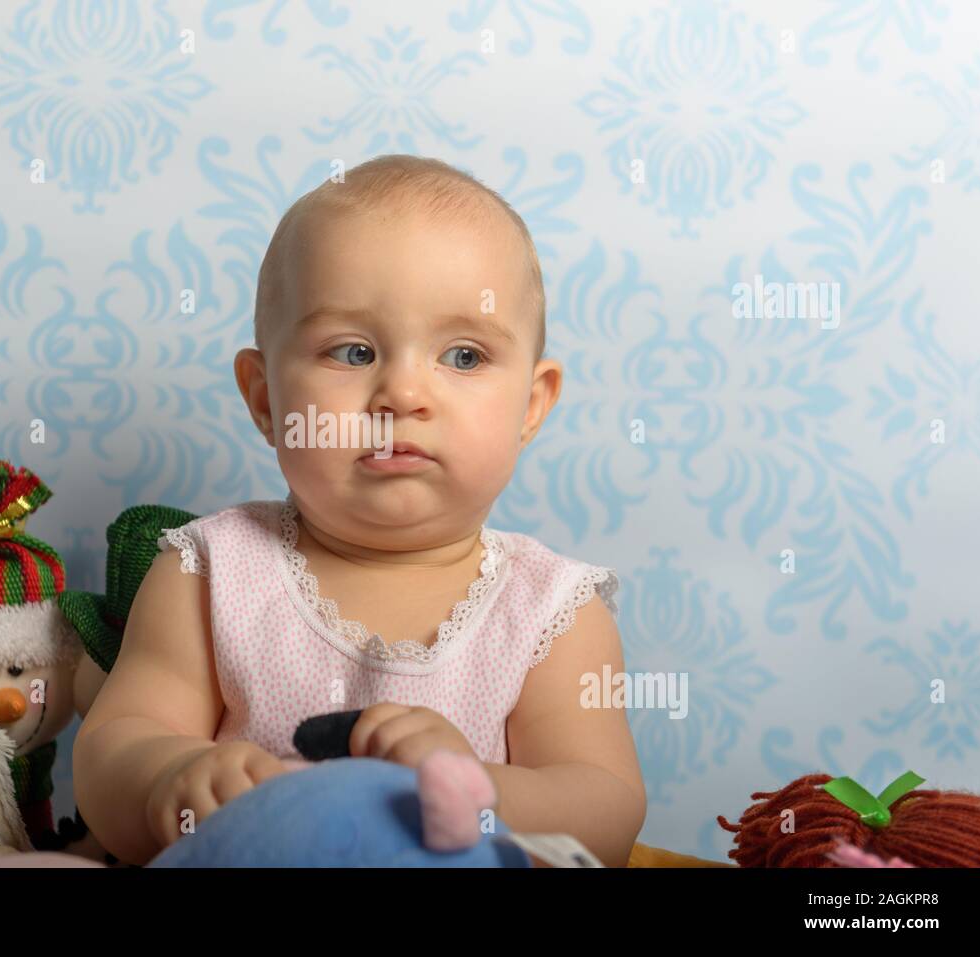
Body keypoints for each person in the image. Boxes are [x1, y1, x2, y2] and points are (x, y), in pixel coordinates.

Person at [75, 154, 646, 866]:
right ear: (265, 399)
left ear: (530, 406)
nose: (404, 394)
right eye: (352, 350)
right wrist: (168, 778)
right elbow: (110, 747)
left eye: (464, 357)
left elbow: (605, 805)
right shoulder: (208, 571)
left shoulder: (550, 611)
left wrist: (479, 790)